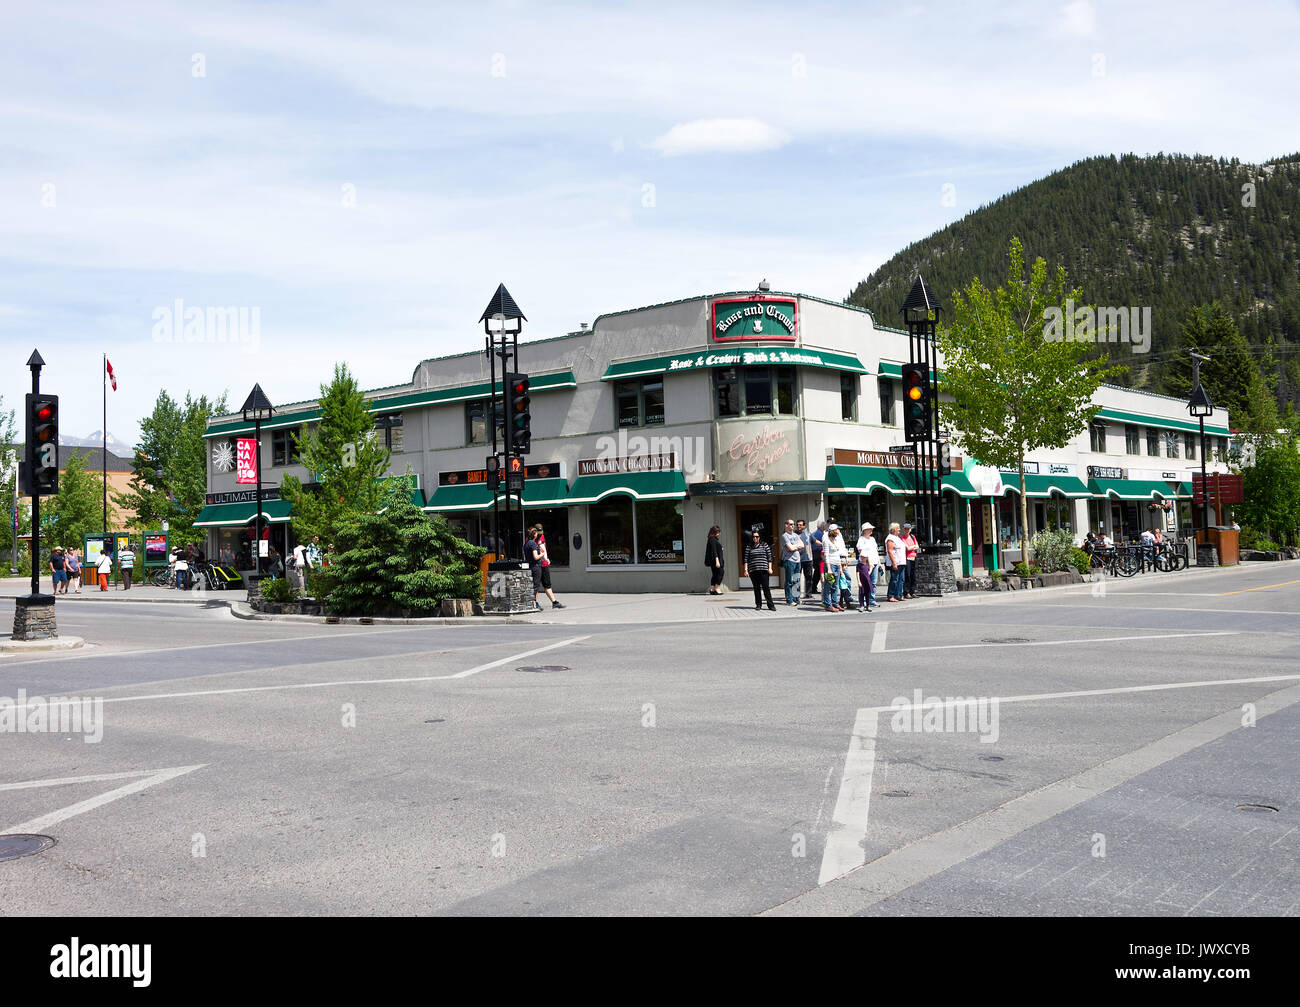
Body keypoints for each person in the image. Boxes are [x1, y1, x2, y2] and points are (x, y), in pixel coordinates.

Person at [525, 524, 564, 609]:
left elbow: (543, 549)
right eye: (537, 532)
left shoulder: (539, 537)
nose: (539, 534)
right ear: (534, 532)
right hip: (537, 564)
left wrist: (546, 558)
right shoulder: (531, 540)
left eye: (540, 532)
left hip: (542, 563)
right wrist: (544, 556)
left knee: (546, 584)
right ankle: (536, 602)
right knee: (536, 585)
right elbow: (537, 552)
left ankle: (554, 602)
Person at [742, 529, 776, 611]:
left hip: (764, 570)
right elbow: (746, 559)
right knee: (756, 588)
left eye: (756, 537)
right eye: (753, 537)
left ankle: (770, 605)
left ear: (759, 537)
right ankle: (758, 604)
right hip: (753, 571)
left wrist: (770, 568)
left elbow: (769, 558)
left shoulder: (765, 545)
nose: (755, 538)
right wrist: (746, 570)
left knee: (766, 588)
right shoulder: (749, 547)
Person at [822, 524, 847, 612]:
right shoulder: (826, 541)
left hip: (836, 564)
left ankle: (835, 603)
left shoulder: (836, 540)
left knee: (835, 585)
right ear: (832, 531)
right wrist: (828, 568)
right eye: (837, 530)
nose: (838, 531)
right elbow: (826, 555)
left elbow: (837, 555)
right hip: (831, 565)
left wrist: (840, 567)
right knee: (828, 585)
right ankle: (828, 604)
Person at [856, 522, 879, 612]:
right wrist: (868, 563)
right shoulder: (861, 540)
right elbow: (862, 553)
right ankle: (863, 602)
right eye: (869, 529)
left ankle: (871, 600)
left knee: (872, 583)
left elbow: (875, 551)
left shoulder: (872, 539)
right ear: (865, 530)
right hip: (865, 564)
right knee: (863, 583)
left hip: (874, 562)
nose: (871, 530)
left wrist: (879, 562)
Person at [780, 518, 803, 606]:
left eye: (793, 524)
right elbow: (790, 548)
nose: (793, 526)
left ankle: (796, 598)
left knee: (796, 580)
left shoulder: (796, 535)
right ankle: (789, 600)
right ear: (786, 525)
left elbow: (803, 545)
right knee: (789, 581)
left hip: (798, 560)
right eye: (791, 524)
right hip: (789, 561)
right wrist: (796, 546)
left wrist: (794, 546)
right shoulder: (784, 536)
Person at [885, 523, 907, 602]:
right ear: (894, 529)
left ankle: (898, 595)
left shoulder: (897, 538)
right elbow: (890, 551)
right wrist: (894, 563)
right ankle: (891, 595)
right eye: (898, 528)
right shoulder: (890, 538)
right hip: (896, 562)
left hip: (901, 562)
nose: (899, 530)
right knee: (894, 579)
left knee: (901, 579)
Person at [704, 525, 724, 594]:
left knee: (715, 574)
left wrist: (720, 549)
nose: (719, 533)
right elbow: (714, 551)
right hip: (715, 561)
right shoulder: (712, 540)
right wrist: (717, 561)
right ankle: (717, 588)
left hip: (713, 561)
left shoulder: (712, 539)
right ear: (714, 532)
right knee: (721, 572)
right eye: (718, 532)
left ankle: (712, 589)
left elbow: (714, 549)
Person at [796, 519, 814, 597]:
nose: (798, 526)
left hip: (808, 558)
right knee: (797, 577)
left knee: (809, 577)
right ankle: (797, 594)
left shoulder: (808, 534)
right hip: (797, 559)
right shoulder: (794, 534)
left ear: (804, 526)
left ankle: (808, 593)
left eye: (800, 525)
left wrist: (823, 544)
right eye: (797, 525)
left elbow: (815, 541)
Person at [902, 522, 919, 599]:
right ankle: (906, 592)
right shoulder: (902, 538)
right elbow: (907, 549)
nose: (907, 530)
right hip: (907, 558)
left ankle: (913, 591)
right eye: (906, 529)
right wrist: (913, 547)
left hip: (914, 557)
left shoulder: (912, 537)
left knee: (913, 575)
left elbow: (917, 547)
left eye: (908, 529)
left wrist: (911, 547)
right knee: (907, 575)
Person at [810, 520, 826, 595]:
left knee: (817, 572)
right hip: (818, 556)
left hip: (814, 555)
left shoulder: (814, 533)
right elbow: (822, 546)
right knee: (819, 572)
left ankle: (813, 588)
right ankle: (814, 588)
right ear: (823, 527)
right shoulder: (821, 534)